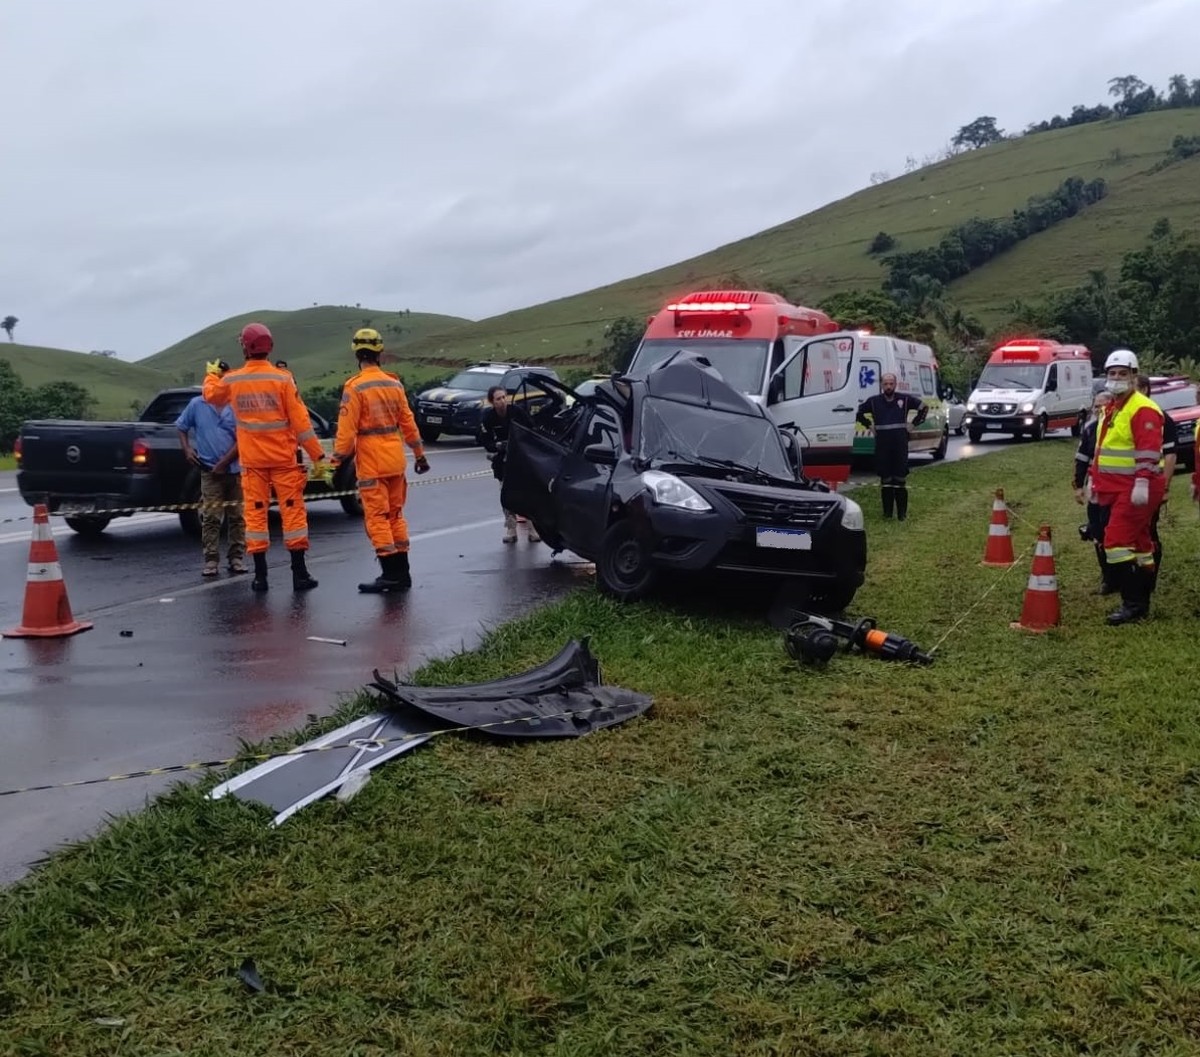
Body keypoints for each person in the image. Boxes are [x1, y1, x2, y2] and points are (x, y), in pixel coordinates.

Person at [203, 322, 331, 592]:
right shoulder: (283, 379)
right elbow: (301, 423)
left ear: (245, 348)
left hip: (253, 464)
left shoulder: (234, 379)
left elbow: (212, 396)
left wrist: (212, 374)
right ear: (269, 347)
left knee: (256, 518)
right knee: (293, 516)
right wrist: (318, 457)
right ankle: (299, 575)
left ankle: (260, 578)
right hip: (283, 461)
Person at [330, 327, 430, 592]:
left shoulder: (355, 387)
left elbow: (346, 433)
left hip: (372, 463)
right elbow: (408, 424)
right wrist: (420, 455)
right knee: (396, 516)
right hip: (395, 460)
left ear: (357, 354)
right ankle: (403, 573)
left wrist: (335, 462)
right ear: (380, 353)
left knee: (377, 518)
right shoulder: (394, 384)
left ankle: (389, 574)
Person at [1088, 349, 1165, 624]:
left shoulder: (1142, 408)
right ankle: (1143, 598)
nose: (1117, 378)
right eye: (1112, 374)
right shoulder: (1113, 407)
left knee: (1116, 543)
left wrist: (1142, 481)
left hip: (1136, 487)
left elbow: (1148, 449)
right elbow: (1103, 449)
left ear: (1134, 376)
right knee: (1141, 544)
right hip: (1117, 487)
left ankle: (1133, 604)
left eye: (1123, 373)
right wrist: (1093, 479)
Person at [174, 360, 246, 577]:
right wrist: (187, 449)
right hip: (209, 471)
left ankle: (236, 558)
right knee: (211, 518)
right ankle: (211, 560)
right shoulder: (197, 405)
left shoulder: (236, 405)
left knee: (237, 517)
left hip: (234, 470)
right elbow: (181, 426)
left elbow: (243, 439)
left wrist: (224, 463)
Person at [855, 373, 927, 520]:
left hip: (900, 445)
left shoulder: (904, 399)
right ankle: (887, 514)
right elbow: (858, 412)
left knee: (900, 480)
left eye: (891, 384)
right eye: (885, 384)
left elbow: (924, 408)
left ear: (895, 384)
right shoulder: (874, 402)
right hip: (882, 446)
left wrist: (913, 424)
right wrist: (869, 425)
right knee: (886, 481)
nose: (888, 386)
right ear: (881, 385)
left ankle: (902, 514)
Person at [480, 385, 539, 543]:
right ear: (492, 401)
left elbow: (531, 429)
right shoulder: (488, 417)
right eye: (498, 399)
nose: (502, 401)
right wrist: (498, 446)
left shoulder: (516, 412)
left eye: (504, 397)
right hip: (502, 460)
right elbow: (485, 440)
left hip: (520, 458)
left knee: (526, 494)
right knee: (506, 495)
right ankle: (511, 529)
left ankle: (532, 528)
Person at [1134, 374, 1176, 592]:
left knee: (1148, 530)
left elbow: (1170, 455)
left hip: (1152, 484)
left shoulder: (1160, 417)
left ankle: (1148, 580)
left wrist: (1166, 487)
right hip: (1127, 485)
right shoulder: (1123, 415)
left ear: (1145, 390)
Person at [1073, 390, 1114, 594]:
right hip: (1096, 489)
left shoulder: (1119, 427)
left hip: (1118, 491)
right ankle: (1107, 578)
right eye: (1095, 407)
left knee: (1115, 534)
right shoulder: (1090, 429)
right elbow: (1081, 459)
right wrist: (1079, 486)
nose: (1098, 410)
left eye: (1102, 406)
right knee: (1098, 533)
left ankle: (1124, 577)